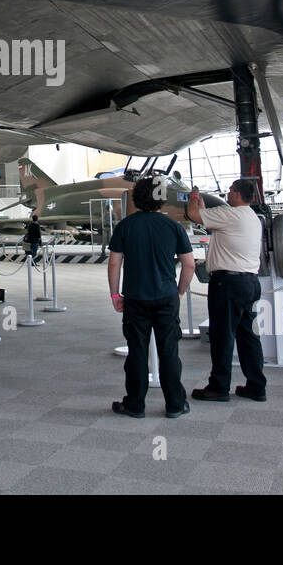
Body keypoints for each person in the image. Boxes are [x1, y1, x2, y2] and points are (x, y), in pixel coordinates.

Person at [107, 176, 196, 419]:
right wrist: (179, 291)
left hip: (136, 298)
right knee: (169, 351)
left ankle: (135, 404)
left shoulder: (125, 226)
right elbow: (189, 265)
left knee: (137, 352)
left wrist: (115, 294)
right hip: (166, 297)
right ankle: (175, 404)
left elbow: (114, 263)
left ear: (136, 200)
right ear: (161, 200)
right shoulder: (173, 227)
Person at [186, 178, 267, 402]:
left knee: (222, 336)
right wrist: (202, 205)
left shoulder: (230, 214)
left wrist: (193, 196)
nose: (228, 194)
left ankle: (219, 387)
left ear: (239, 194)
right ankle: (256, 386)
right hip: (250, 283)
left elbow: (194, 215)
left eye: (231, 191)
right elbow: (208, 222)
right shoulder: (251, 217)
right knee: (248, 336)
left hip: (228, 284)